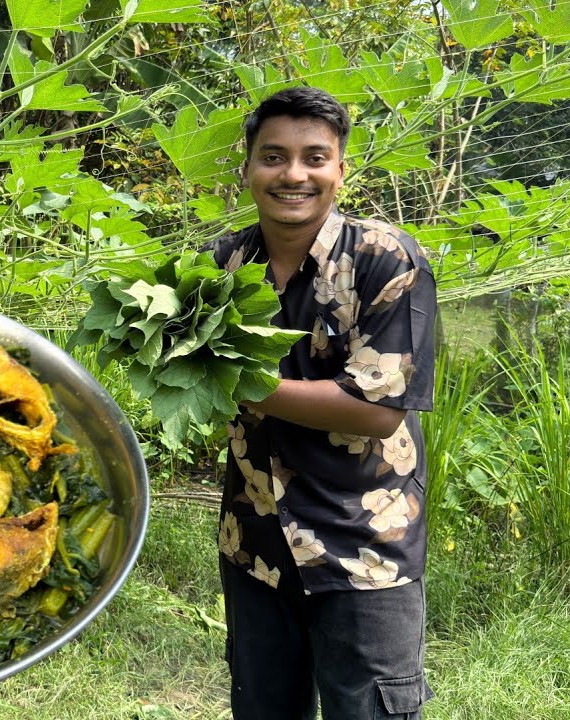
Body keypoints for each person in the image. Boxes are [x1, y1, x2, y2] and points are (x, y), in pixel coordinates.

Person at [204, 86, 437, 720]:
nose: (294, 174)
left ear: (340, 167)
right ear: (248, 167)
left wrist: (236, 382)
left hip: (364, 542)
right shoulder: (221, 263)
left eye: (315, 157)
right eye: (274, 156)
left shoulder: (384, 257)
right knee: (264, 707)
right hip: (252, 537)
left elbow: (376, 410)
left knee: (370, 711)